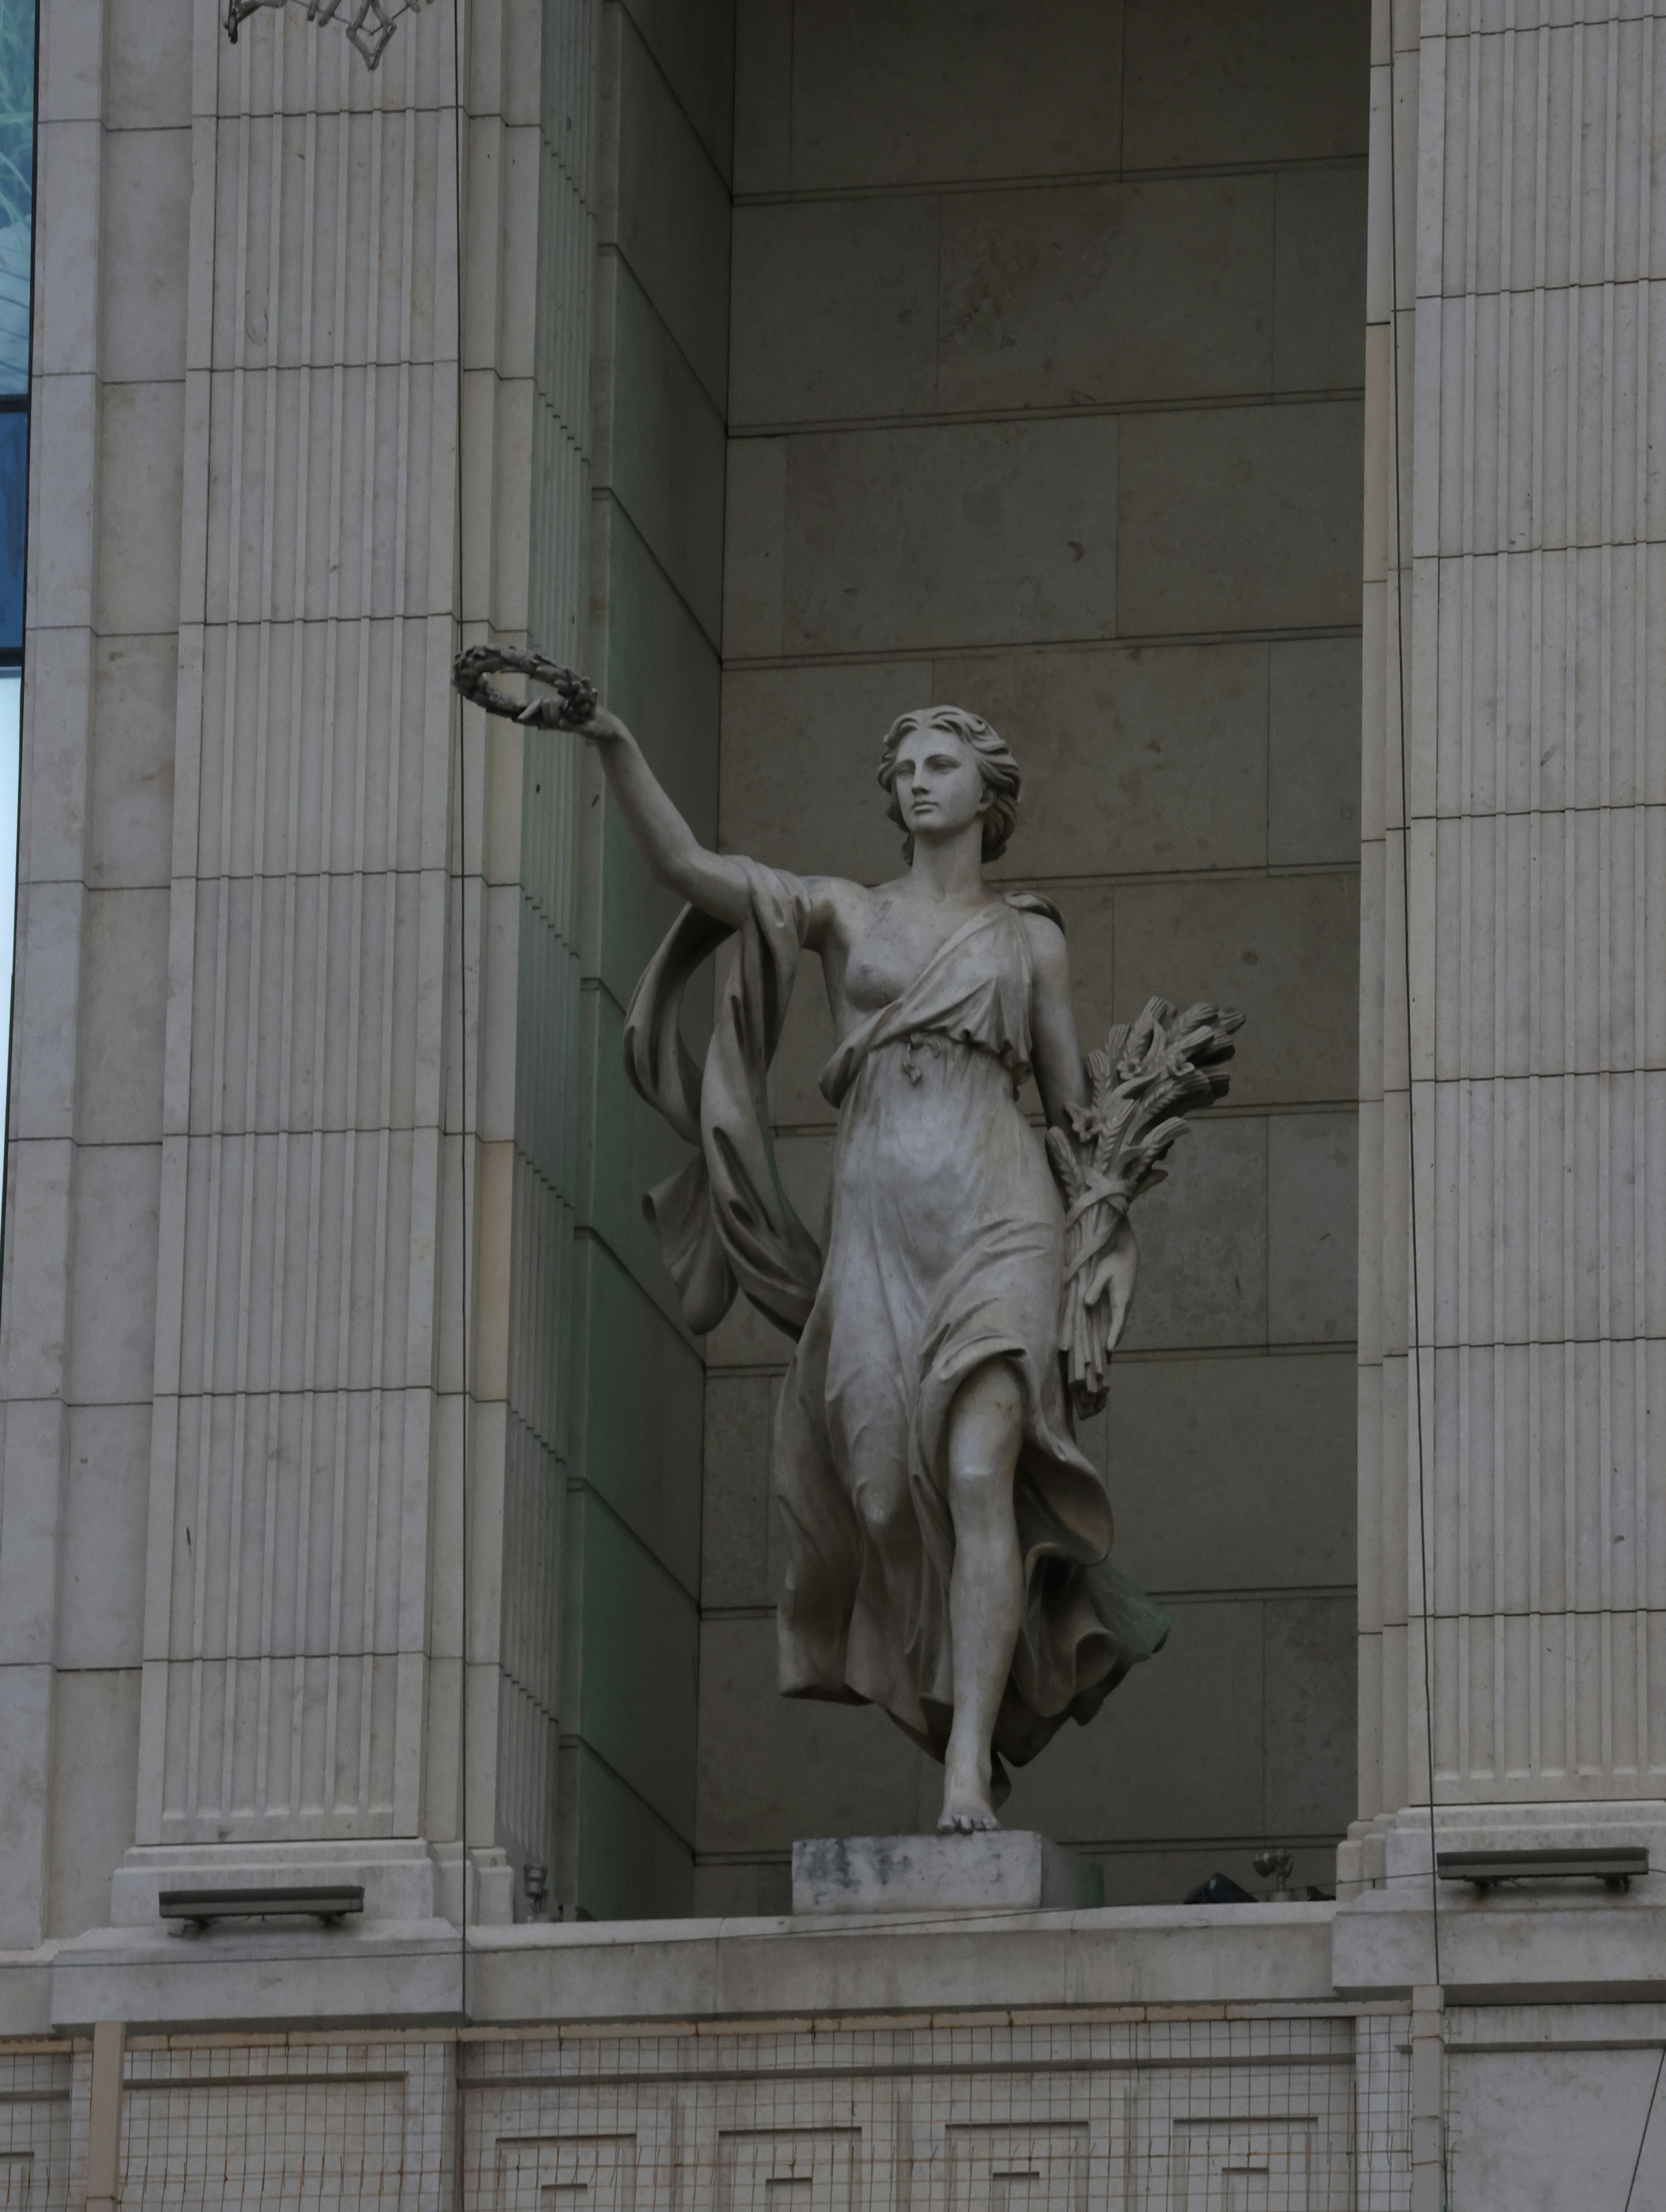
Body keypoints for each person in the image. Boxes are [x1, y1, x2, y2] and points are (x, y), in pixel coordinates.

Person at [572, 697, 1167, 1834]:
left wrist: (1103, 1234)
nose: (919, 780)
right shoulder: (847, 912)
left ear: (987, 793)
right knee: (886, 1494)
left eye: (943, 763)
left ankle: (965, 1772)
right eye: (904, 767)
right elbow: (688, 867)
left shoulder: (1029, 941)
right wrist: (614, 740)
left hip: (1002, 1218)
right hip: (880, 1233)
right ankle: (961, 1708)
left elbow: (1074, 1119)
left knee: (982, 1475)